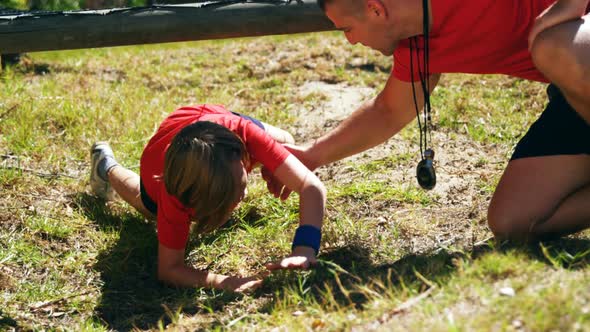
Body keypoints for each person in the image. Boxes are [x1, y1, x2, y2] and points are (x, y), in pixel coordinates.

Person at [263, 0, 590, 243]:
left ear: (376, 9)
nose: (350, 41)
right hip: (576, 95)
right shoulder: (415, 45)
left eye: (347, 28)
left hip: (578, 47)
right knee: (515, 220)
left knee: (554, 45)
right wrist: (312, 155)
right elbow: (389, 111)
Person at [89, 104, 326, 292]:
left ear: (240, 150)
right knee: (148, 208)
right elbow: (169, 269)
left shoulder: (243, 133)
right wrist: (225, 282)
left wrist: (304, 249)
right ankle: (106, 166)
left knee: (285, 141)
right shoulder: (176, 194)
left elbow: (311, 186)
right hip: (157, 161)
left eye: (241, 183)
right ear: (198, 203)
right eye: (233, 196)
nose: (243, 197)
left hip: (204, 120)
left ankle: (267, 159)